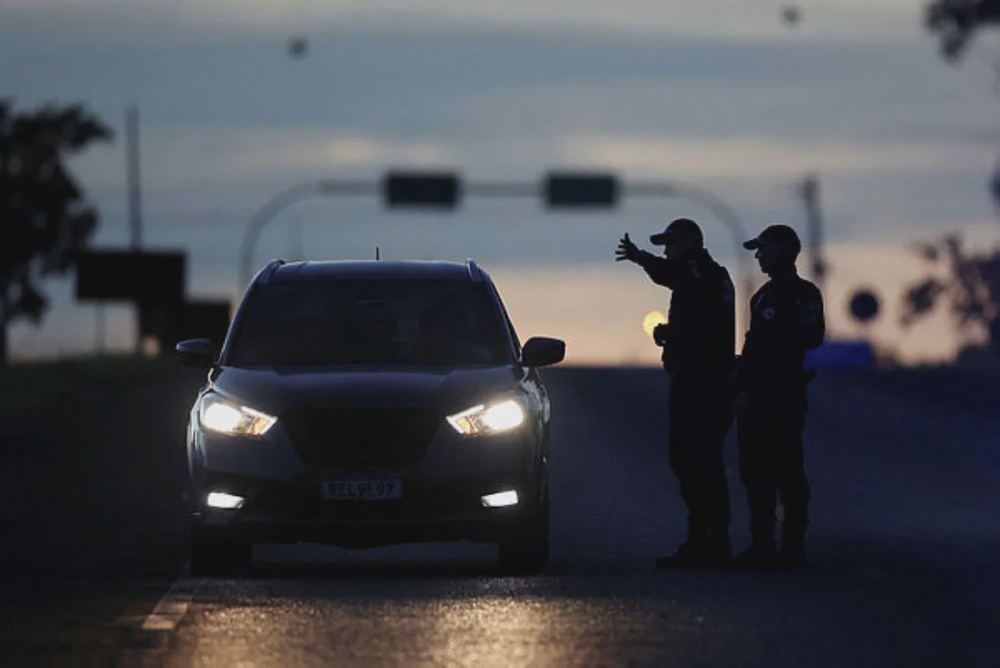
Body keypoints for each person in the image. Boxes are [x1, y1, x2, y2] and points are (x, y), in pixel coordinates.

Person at [615, 218, 737, 568]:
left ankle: (710, 541)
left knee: (697, 460)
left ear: (691, 243)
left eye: (671, 244)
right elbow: (700, 318)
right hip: (698, 378)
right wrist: (673, 332)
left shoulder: (704, 274)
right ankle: (704, 539)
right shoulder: (705, 279)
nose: (667, 251)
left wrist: (641, 257)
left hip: (703, 382)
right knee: (693, 460)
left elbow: (674, 276)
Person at [733, 224, 825, 571]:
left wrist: (775, 350)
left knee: (787, 472)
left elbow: (810, 335)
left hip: (783, 394)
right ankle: (762, 545)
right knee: (755, 473)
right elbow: (755, 344)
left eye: (764, 249)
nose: (758, 256)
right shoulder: (763, 296)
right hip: (755, 395)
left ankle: (792, 547)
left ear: (783, 252)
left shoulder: (804, 294)